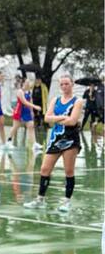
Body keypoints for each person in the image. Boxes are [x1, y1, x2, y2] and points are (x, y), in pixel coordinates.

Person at [24, 73, 83, 214]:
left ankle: (66, 202)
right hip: (55, 139)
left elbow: (73, 121)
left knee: (69, 171)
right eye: (62, 84)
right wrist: (62, 117)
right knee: (44, 169)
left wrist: (55, 118)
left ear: (72, 84)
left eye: (67, 84)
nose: (64, 86)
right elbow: (46, 118)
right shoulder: (55, 99)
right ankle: (40, 199)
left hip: (70, 139)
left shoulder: (77, 101)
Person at [7, 77, 41, 149]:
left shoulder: (29, 91)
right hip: (19, 111)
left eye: (29, 82)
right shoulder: (20, 91)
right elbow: (24, 102)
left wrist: (32, 111)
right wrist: (35, 107)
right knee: (15, 127)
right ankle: (8, 142)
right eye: (27, 82)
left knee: (31, 126)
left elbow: (30, 100)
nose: (28, 83)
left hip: (27, 111)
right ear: (23, 83)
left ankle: (34, 144)